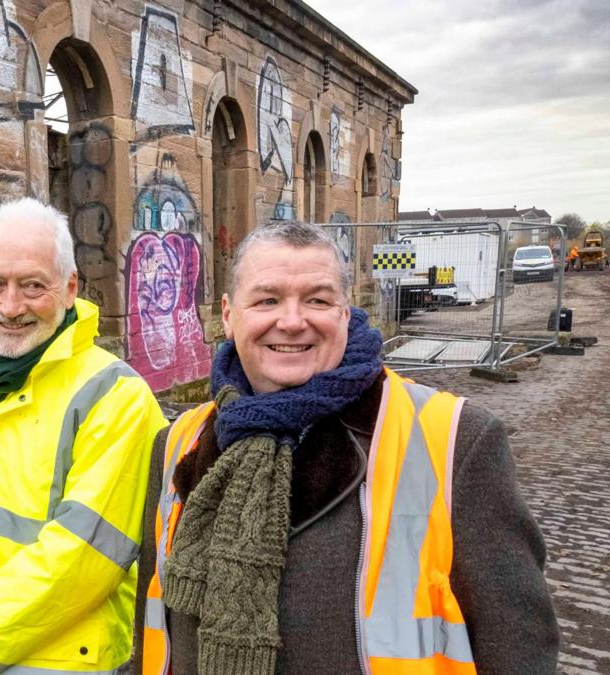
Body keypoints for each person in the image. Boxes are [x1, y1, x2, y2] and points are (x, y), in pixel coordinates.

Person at [135, 221, 557, 674]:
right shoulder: (180, 442)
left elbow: (518, 646)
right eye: (267, 300)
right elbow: (153, 616)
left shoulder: (455, 439)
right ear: (228, 314)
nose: (293, 321)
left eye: (317, 299)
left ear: (344, 311)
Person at [0, 198, 168, 674]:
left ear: (69, 289)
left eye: (32, 286)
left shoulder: (117, 398)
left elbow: (80, 561)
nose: (11, 306)